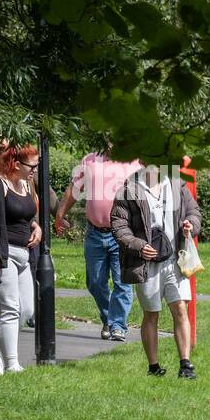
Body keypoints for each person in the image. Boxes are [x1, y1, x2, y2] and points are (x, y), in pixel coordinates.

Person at [110, 163, 201, 379]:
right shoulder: (129, 188)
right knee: (151, 313)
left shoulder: (177, 183)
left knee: (180, 308)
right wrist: (138, 246)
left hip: (175, 259)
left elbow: (194, 212)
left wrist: (190, 226)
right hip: (147, 263)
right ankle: (154, 366)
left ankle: (185, 364)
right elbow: (119, 225)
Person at [54, 142, 141, 341]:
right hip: (94, 233)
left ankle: (118, 325)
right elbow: (74, 190)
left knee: (122, 281)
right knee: (94, 282)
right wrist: (60, 214)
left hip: (122, 234)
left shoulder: (133, 163)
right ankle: (109, 319)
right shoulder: (90, 160)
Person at [0, 143, 42, 375]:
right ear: (15, 162)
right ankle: (12, 365)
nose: (35, 169)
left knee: (25, 310)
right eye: (32, 165)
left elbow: (23, 213)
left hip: (24, 254)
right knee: (10, 308)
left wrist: (36, 226)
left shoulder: (26, 184)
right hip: (2, 254)